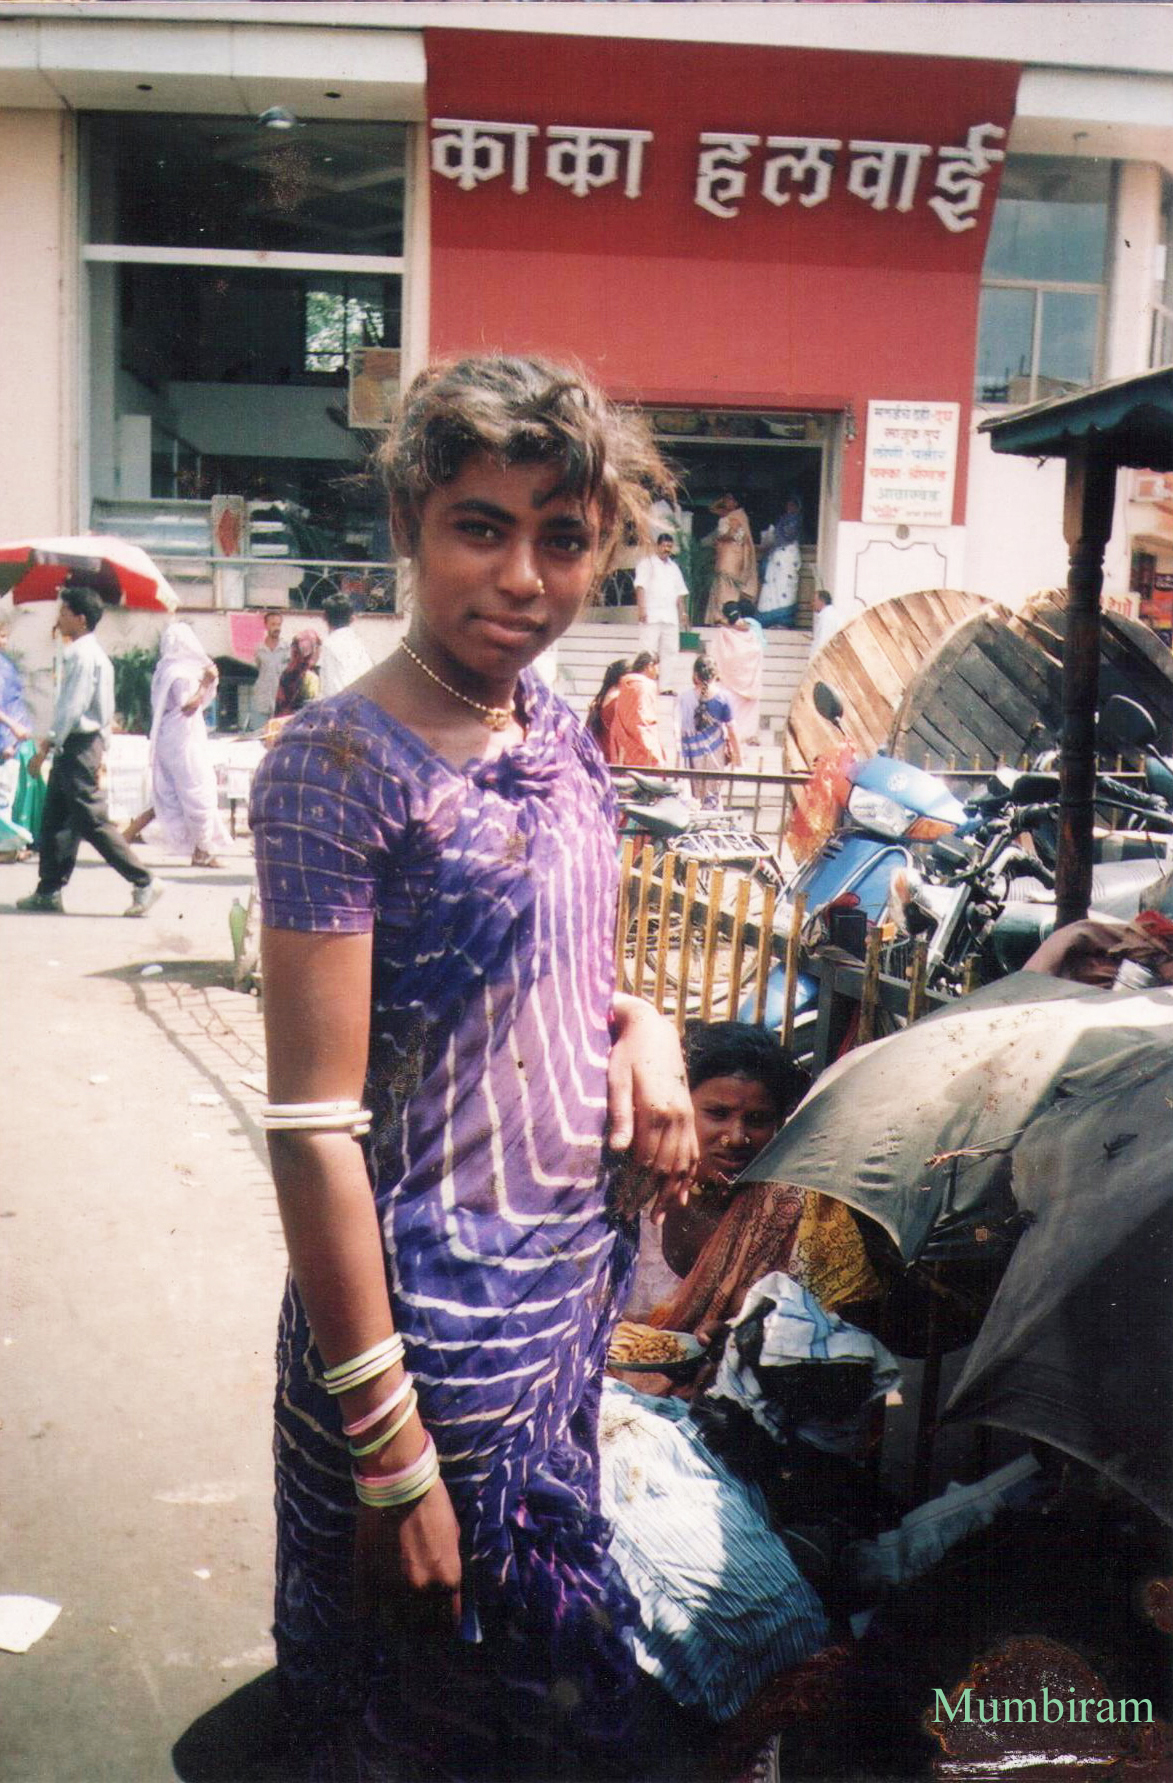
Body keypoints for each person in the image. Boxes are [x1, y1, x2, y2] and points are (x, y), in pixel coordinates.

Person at [249, 353, 698, 1780]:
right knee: (416, 1713)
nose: (522, 574)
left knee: (536, 1714)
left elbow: (558, 970)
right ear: (408, 525)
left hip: (557, 1301)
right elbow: (314, 1125)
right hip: (421, 1343)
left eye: (561, 537)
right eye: (479, 525)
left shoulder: (559, 732)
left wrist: (650, 1029)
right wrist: (390, 1451)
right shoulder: (337, 764)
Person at [625, 1023, 809, 1320]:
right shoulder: (635, 1192)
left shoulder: (783, 1215)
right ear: (681, 1106)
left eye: (758, 1119)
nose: (736, 1137)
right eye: (718, 1114)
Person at [14, 577, 162, 916]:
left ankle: (143, 881)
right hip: (83, 744)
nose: (60, 618)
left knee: (91, 821)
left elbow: (72, 706)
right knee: (55, 820)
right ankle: (48, 890)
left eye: (65, 612)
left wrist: (46, 746)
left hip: (78, 743)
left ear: (81, 618)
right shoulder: (92, 654)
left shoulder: (81, 655)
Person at [147, 622, 228, 868]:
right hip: (183, 739)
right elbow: (188, 706)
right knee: (198, 791)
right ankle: (202, 850)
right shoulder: (180, 674)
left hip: (170, 738)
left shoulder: (165, 670)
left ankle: (200, 848)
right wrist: (205, 683)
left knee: (183, 792)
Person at [676, 654, 739, 804]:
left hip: (691, 757)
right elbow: (732, 731)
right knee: (713, 797)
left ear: (695, 675)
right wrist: (738, 758)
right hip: (714, 756)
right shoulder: (723, 697)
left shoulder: (684, 698)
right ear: (715, 675)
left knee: (695, 798)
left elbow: (680, 730)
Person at [633, 533, 688, 696]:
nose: (667, 549)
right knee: (648, 650)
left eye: (669, 546)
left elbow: (680, 593)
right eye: (664, 545)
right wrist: (642, 608)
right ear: (657, 546)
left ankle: (665, 686)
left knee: (670, 651)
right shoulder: (646, 563)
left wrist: (683, 613)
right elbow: (640, 587)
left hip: (670, 616)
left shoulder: (674, 567)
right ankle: (644, 683)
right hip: (651, 614)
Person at [0, 616, 35, 859]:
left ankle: (8, 846)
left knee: (7, 795)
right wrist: (10, 732)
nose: (4, 640)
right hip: (6, 738)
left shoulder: (5, 663)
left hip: (12, 738)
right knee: (2, 796)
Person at [710, 599, 764, 746]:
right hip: (749, 681)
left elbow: (715, 656)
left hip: (728, 681)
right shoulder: (751, 633)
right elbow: (757, 651)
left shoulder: (723, 633)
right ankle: (747, 738)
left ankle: (729, 738)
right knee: (746, 713)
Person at [704, 494, 758, 625]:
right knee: (722, 585)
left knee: (728, 586)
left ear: (736, 502)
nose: (727, 501)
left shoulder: (738, 518)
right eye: (726, 499)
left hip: (733, 557)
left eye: (731, 499)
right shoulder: (727, 517)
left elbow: (737, 537)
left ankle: (726, 616)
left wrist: (724, 536)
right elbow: (712, 508)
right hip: (726, 555)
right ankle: (721, 616)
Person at [611, 650, 667, 767]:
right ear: (650, 666)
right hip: (643, 745)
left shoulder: (625, 684)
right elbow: (644, 720)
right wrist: (654, 752)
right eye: (657, 667)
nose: (658, 672)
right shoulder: (646, 685)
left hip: (624, 744)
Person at [317, 591, 373, 697]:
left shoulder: (329, 646)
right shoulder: (358, 643)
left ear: (324, 617)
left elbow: (332, 688)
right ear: (352, 618)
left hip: (343, 707)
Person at [757, 496, 802, 629]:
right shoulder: (783, 519)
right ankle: (770, 620)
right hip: (777, 559)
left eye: (793, 505)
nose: (790, 508)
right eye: (788, 505)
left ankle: (783, 621)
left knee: (784, 588)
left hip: (788, 557)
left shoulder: (795, 520)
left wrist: (774, 536)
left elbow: (788, 534)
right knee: (772, 590)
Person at [250, 609, 290, 730]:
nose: (277, 628)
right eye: (273, 624)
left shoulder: (287, 648)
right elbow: (258, 669)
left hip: (281, 699)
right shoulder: (259, 649)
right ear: (266, 625)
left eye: (279, 624)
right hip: (262, 698)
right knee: (259, 734)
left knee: (279, 735)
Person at [585, 656, 630, 764]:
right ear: (622, 677)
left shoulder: (601, 696)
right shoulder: (619, 699)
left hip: (598, 748)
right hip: (612, 752)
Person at [272, 628, 321, 718]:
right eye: (318, 646)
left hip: (283, 724)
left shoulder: (287, 672)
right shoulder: (310, 677)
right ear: (313, 650)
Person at [811, 588, 843, 654]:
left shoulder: (827, 617)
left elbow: (823, 642)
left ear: (821, 601)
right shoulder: (829, 614)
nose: (812, 603)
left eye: (814, 600)